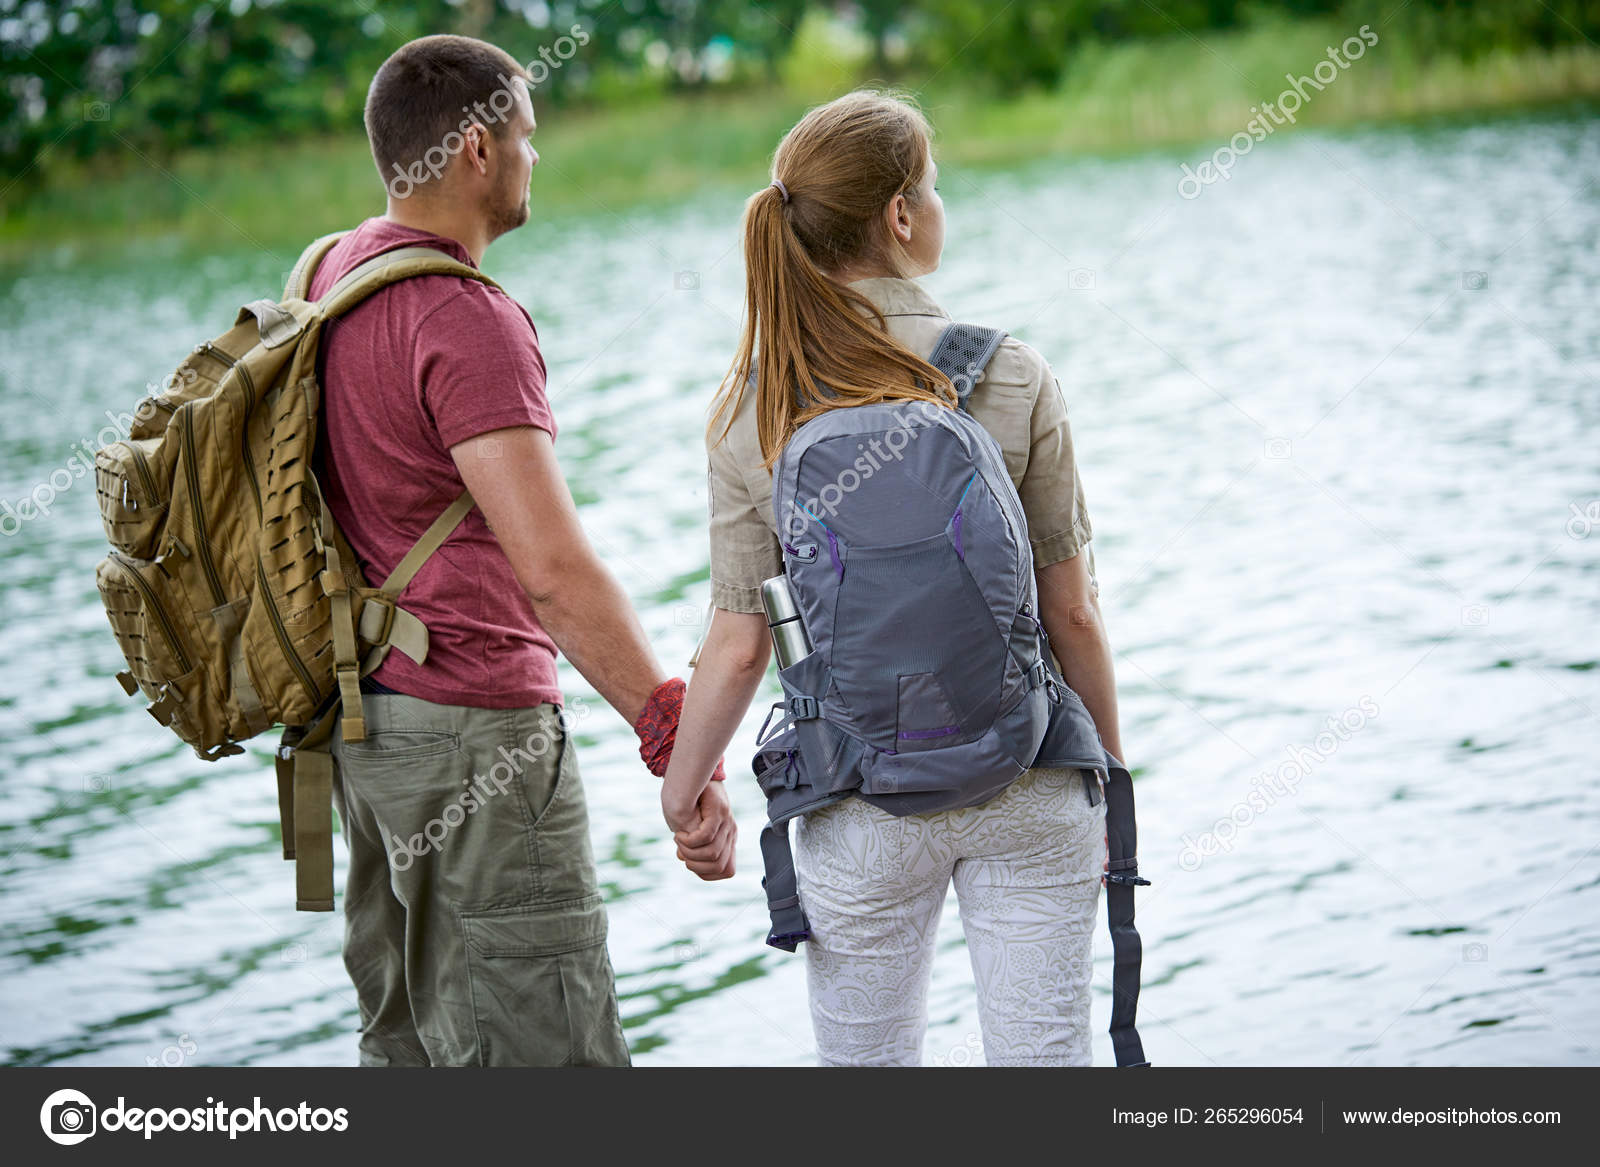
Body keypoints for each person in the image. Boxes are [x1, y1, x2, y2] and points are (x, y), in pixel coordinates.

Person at [661, 90, 1125, 1066]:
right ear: (901, 215)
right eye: (934, 184)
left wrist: (684, 786)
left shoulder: (755, 404)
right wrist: (1109, 787)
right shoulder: (1011, 374)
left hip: (857, 792)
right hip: (1027, 773)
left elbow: (740, 641)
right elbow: (1070, 613)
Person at [313, 35, 733, 1068]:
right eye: (526, 138)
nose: (535, 159)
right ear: (474, 151)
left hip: (364, 729)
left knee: (409, 1053)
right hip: (475, 741)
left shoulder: (331, 272)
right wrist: (673, 738)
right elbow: (553, 573)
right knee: (550, 1064)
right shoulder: (464, 318)